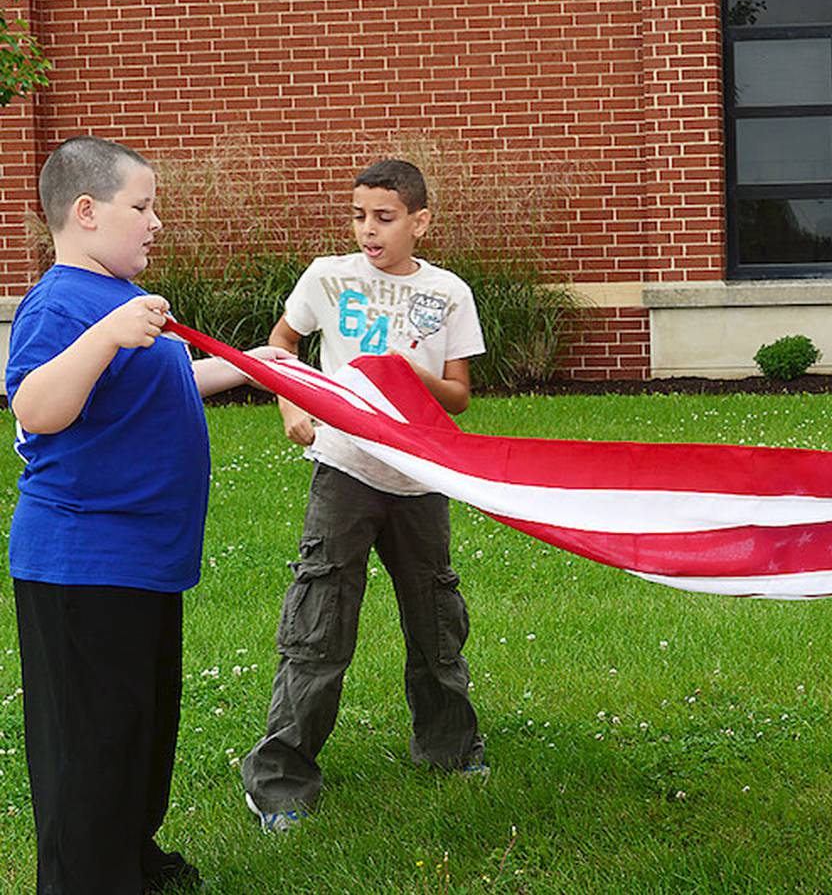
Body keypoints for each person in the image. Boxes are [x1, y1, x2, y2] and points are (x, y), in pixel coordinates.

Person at [7, 136, 287, 894]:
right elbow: (35, 406)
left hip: (140, 561)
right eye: (143, 206)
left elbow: (154, 389)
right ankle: (85, 879)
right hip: (82, 564)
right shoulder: (63, 301)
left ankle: (129, 856)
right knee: (89, 744)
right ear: (87, 213)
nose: (156, 222)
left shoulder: (118, 304)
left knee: (137, 730)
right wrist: (106, 333)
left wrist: (255, 363)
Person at [239, 159, 487, 832]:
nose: (368, 230)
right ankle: (281, 780)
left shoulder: (449, 293)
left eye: (384, 217)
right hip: (343, 472)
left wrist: (418, 374)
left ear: (419, 221)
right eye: (358, 216)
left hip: (418, 480)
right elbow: (280, 345)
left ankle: (450, 749)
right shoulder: (328, 277)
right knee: (319, 624)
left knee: (435, 620)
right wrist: (290, 403)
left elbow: (459, 396)